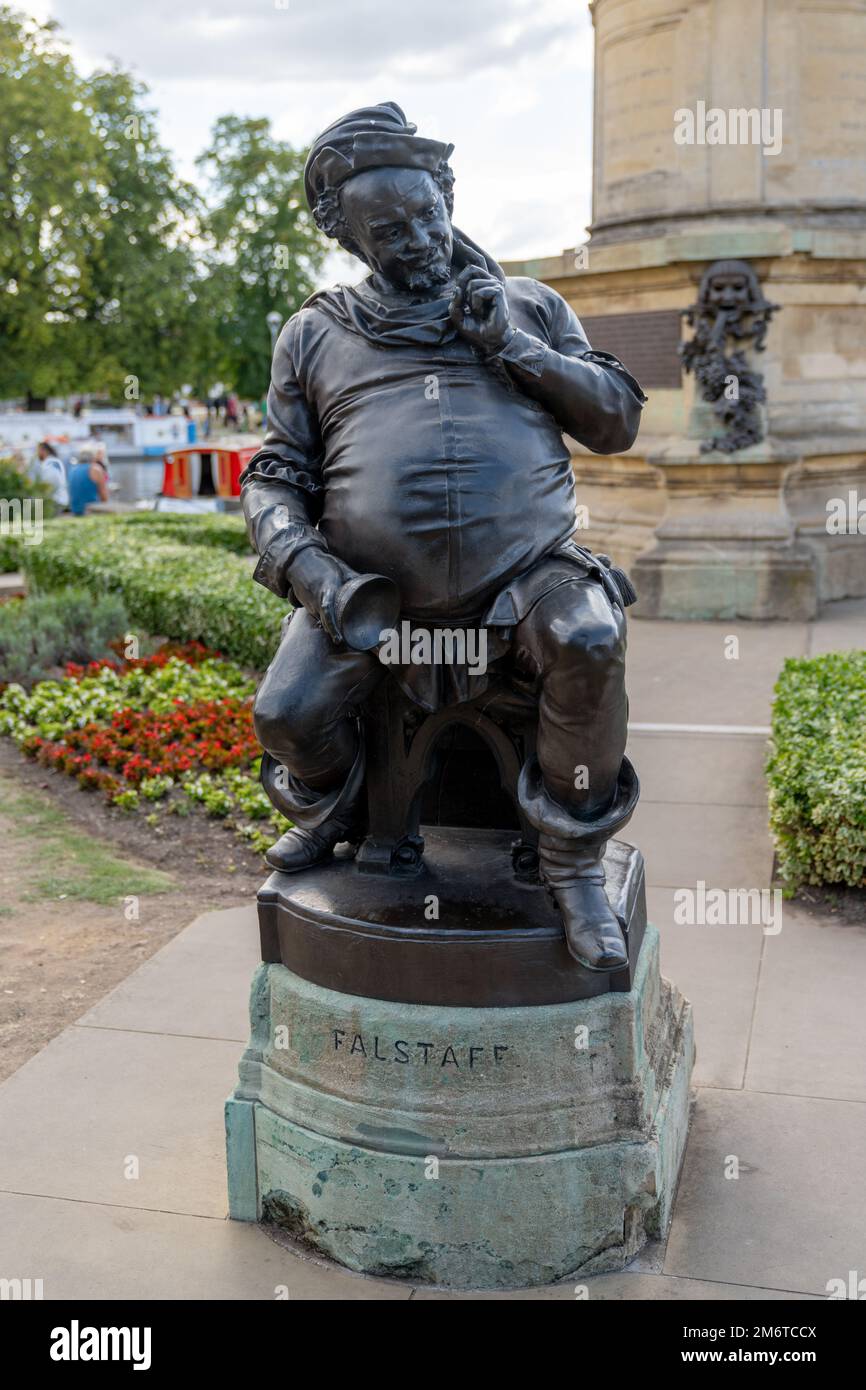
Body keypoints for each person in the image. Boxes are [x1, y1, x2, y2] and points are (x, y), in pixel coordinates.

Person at [240, 103, 646, 971]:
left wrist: (514, 348)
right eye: (390, 230)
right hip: (368, 592)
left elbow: (616, 422)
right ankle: (339, 806)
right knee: (285, 715)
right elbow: (276, 473)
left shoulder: (531, 306)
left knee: (590, 638)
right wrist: (312, 572)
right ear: (350, 239)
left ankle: (572, 866)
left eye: (430, 215)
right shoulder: (315, 334)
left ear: (450, 198)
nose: (421, 239)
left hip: (527, 576)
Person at [68, 442, 109, 516]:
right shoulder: (95, 469)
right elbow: (104, 497)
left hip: (75, 510)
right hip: (91, 510)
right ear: (93, 456)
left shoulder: (72, 470)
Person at [29, 440, 69, 508]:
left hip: (55, 500)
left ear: (44, 451)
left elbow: (50, 484)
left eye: (38, 450)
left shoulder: (51, 464)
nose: (36, 453)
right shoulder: (54, 461)